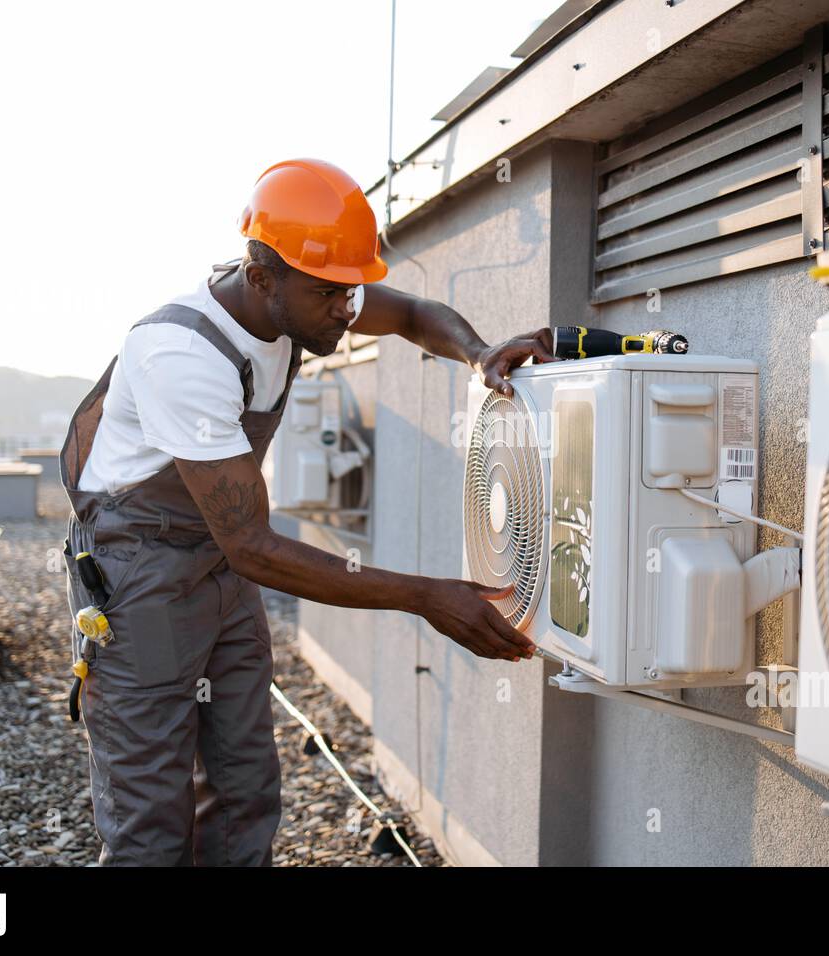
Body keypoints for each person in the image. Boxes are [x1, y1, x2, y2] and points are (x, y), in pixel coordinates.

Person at [59, 158, 551, 866]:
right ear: (262, 277)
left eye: (352, 292)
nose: (347, 313)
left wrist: (477, 354)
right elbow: (255, 548)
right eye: (331, 295)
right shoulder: (182, 353)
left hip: (219, 560)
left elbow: (411, 314)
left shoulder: (304, 300)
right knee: (151, 823)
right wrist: (425, 596)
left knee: (243, 788)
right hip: (142, 572)